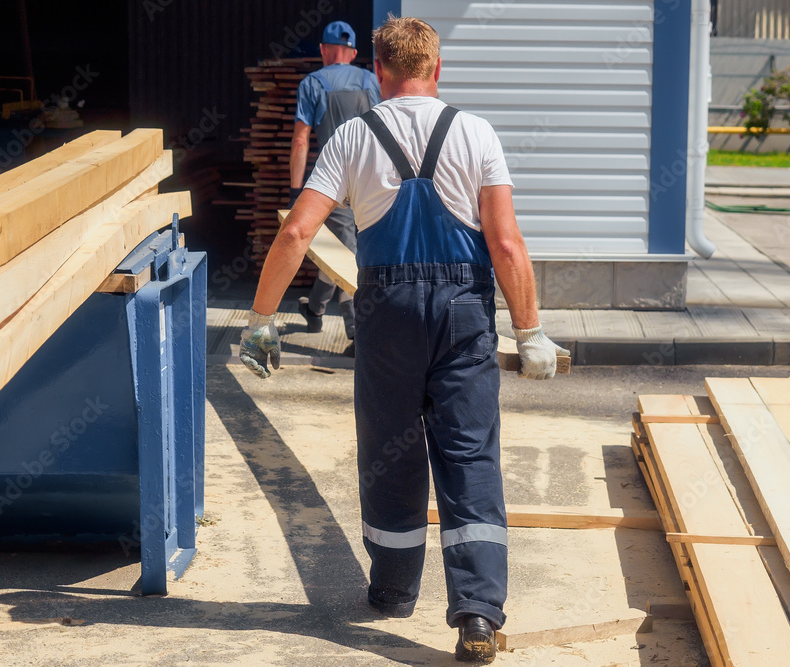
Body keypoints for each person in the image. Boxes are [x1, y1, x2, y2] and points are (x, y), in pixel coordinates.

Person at [241, 16, 567, 663]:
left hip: (386, 313)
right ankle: (476, 612)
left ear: (379, 74)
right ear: (437, 70)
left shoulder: (354, 136)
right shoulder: (477, 134)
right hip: (464, 313)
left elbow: (297, 233)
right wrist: (529, 330)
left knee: (391, 449)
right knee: (469, 451)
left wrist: (259, 320)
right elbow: (505, 241)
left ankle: (391, 591)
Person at [291, 20, 380, 353]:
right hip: (373, 180)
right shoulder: (372, 81)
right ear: (354, 53)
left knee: (343, 252)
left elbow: (301, 141)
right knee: (349, 250)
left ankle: (357, 332)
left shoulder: (312, 83)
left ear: (323, 50)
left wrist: (296, 190)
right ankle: (314, 309)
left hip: (335, 184)